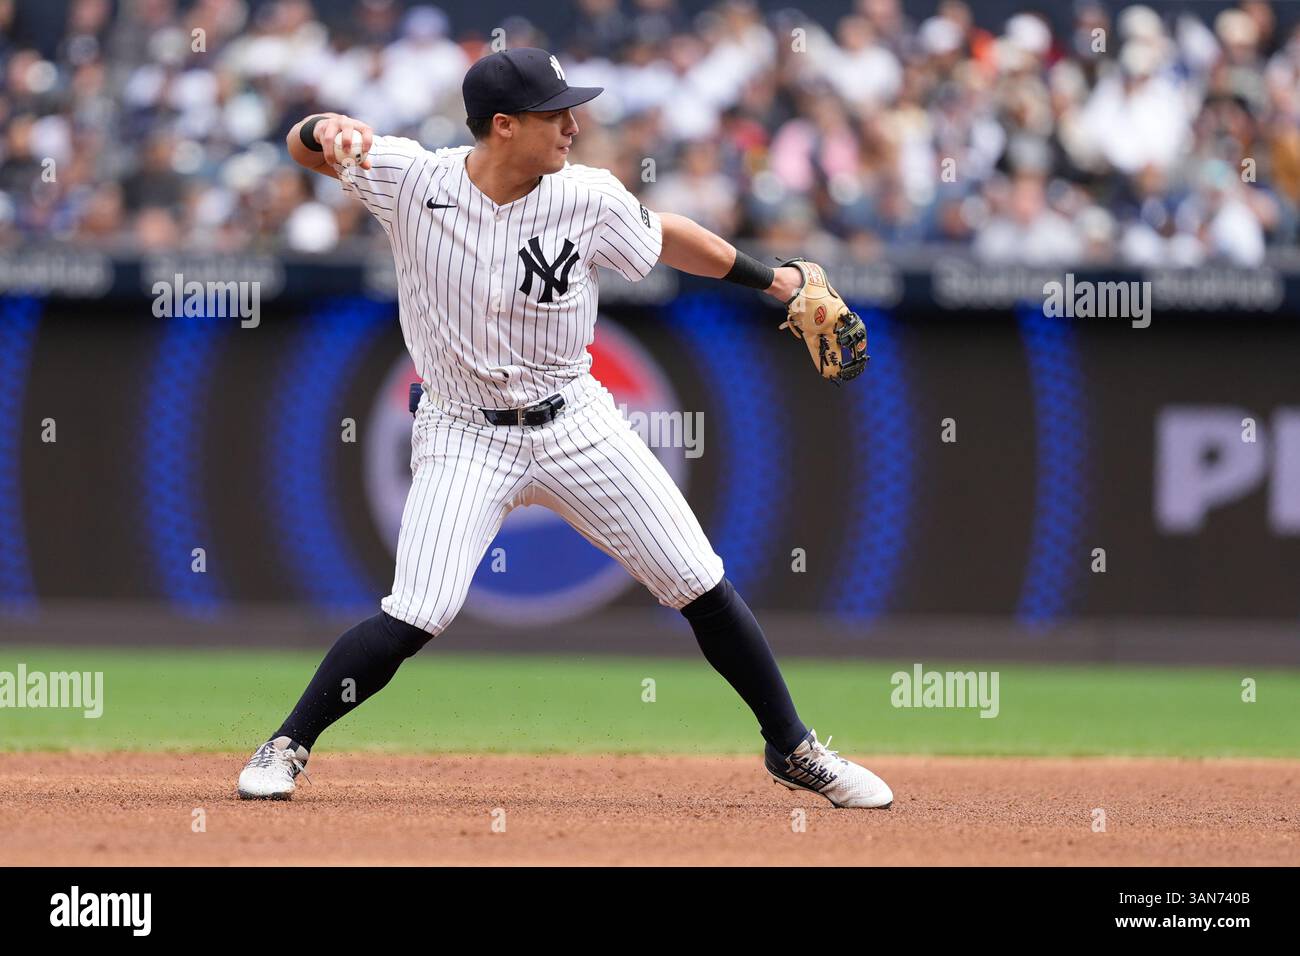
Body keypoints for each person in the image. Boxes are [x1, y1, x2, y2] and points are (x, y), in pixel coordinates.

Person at [236, 47, 892, 809]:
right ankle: (287, 744)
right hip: (462, 431)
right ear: (504, 127)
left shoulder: (589, 196)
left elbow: (666, 235)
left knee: (699, 581)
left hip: (575, 421)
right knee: (419, 610)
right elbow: (302, 143)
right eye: (556, 114)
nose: (575, 126)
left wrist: (775, 281)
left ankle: (795, 749)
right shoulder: (413, 178)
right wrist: (326, 126)